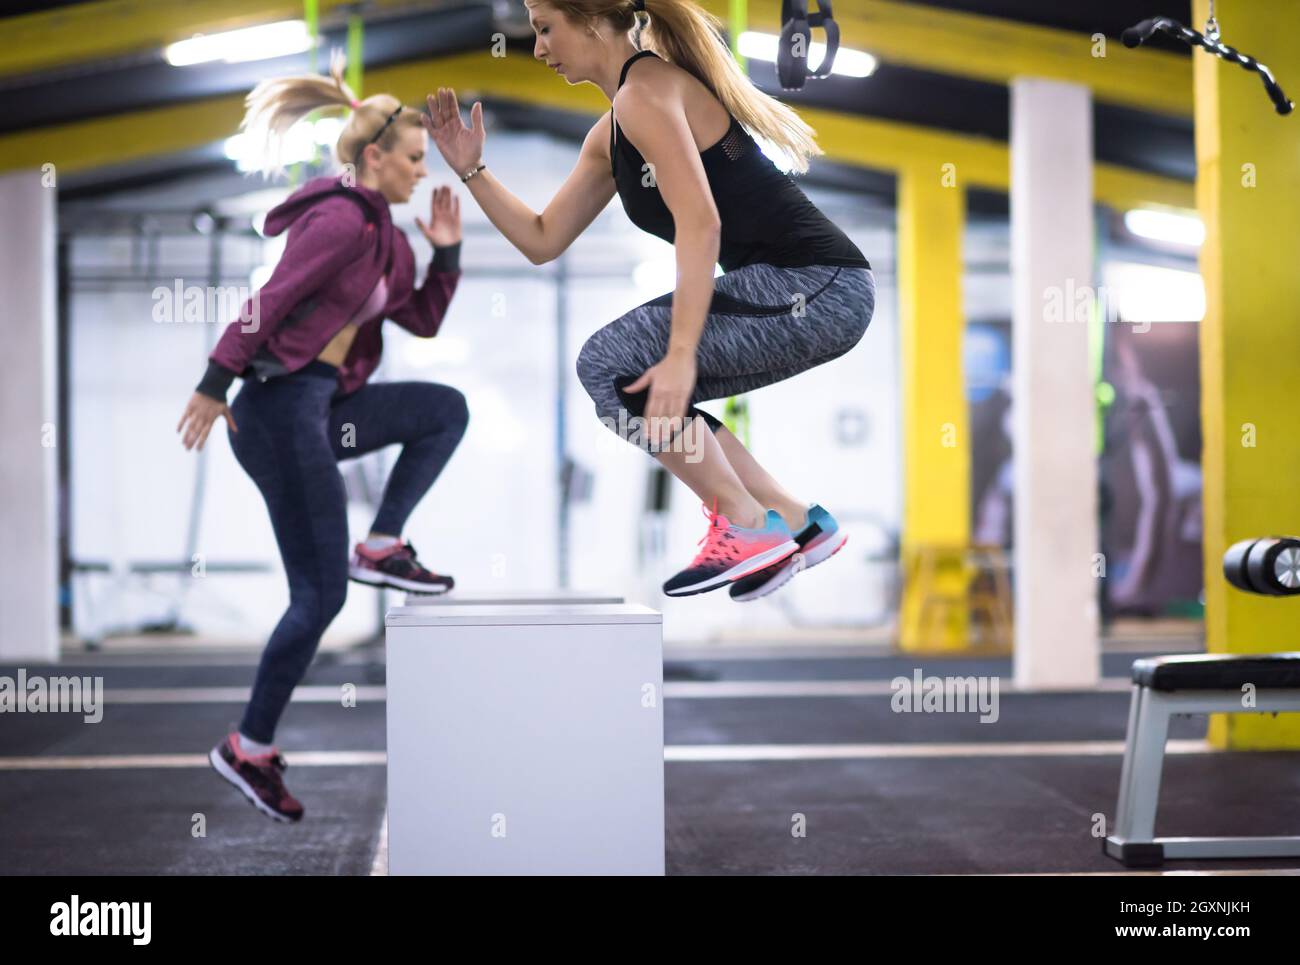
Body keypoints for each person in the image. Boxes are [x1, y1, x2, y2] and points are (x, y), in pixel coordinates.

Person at [423, 0, 874, 600]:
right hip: (806, 289)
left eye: (544, 29)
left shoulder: (647, 92)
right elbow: (541, 239)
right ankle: (793, 519)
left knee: (608, 364)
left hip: (819, 284)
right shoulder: (611, 131)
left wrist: (682, 351)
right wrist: (473, 170)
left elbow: (700, 222)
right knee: (636, 390)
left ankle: (743, 522)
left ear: (588, 19)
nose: (536, 49)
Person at [175, 52, 468, 822]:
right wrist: (214, 381)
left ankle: (383, 542)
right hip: (274, 412)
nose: (419, 173)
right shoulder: (339, 218)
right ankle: (248, 746)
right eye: (411, 159)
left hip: (324, 406)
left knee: (444, 409)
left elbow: (424, 321)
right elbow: (264, 303)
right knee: (319, 595)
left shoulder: (391, 242)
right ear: (374, 158)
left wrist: (446, 250)